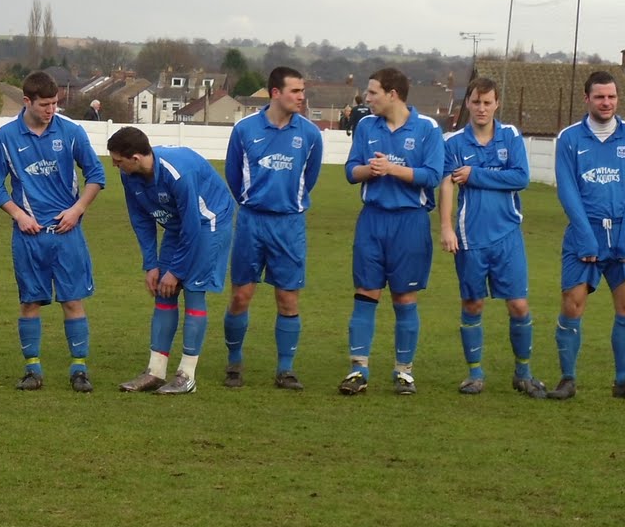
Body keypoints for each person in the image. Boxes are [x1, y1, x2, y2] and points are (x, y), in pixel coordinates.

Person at [0, 71, 106, 392]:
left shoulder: (71, 132)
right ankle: (32, 370)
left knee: (72, 300)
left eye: (54, 103)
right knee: (30, 303)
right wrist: (18, 214)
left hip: (67, 234)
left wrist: (77, 209)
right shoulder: (6, 137)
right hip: (29, 236)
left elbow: (96, 175)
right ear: (27, 101)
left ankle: (79, 369)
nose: (51, 110)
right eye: (44, 104)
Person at [547, 70, 625, 401]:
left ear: (617, 98)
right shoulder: (569, 138)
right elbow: (567, 190)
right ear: (587, 99)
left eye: (611, 96)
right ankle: (567, 379)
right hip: (586, 232)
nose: (606, 102)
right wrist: (584, 234)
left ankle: (624, 381)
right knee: (573, 304)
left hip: (624, 233)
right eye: (599, 96)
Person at [438, 77, 546, 399]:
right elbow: (445, 184)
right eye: (476, 102)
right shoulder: (453, 143)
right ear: (467, 103)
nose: (482, 108)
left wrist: (475, 175)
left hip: (508, 235)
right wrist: (445, 227)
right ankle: (475, 374)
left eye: (487, 102)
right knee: (472, 303)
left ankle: (523, 373)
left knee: (519, 304)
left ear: (497, 103)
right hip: (470, 237)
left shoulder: (510, 136)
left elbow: (521, 177)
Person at [107, 126, 236, 395]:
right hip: (179, 225)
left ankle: (186, 375)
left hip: (208, 222)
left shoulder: (177, 173)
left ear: (136, 159)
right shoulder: (129, 176)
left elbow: (192, 224)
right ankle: (155, 371)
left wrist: (175, 271)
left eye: (118, 161)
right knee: (163, 294)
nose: (114, 165)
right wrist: (151, 264)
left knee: (193, 292)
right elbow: (141, 220)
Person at [340, 67, 444, 395]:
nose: (367, 98)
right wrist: (367, 170)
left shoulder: (427, 128)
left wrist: (392, 169)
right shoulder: (366, 126)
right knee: (365, 293)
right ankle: (358, 371)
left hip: (410, 222)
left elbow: (433, 175)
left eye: (372, 93)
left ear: (392, 94)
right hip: (372, 220)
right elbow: (349, 171)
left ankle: (404, 372)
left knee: (404, 296)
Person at [222, 66, 323, 390]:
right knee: (241, 295)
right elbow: (234, 177)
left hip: (289, 225)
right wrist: (255, 203)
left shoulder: (309, 135)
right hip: (251, 222)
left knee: (288, 299)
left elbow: (312, 177)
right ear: (275, 93)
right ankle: (234, 363)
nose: (301, 97)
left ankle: (286, 369)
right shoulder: (244, 130)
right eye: (295, 91)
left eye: (303, 91)